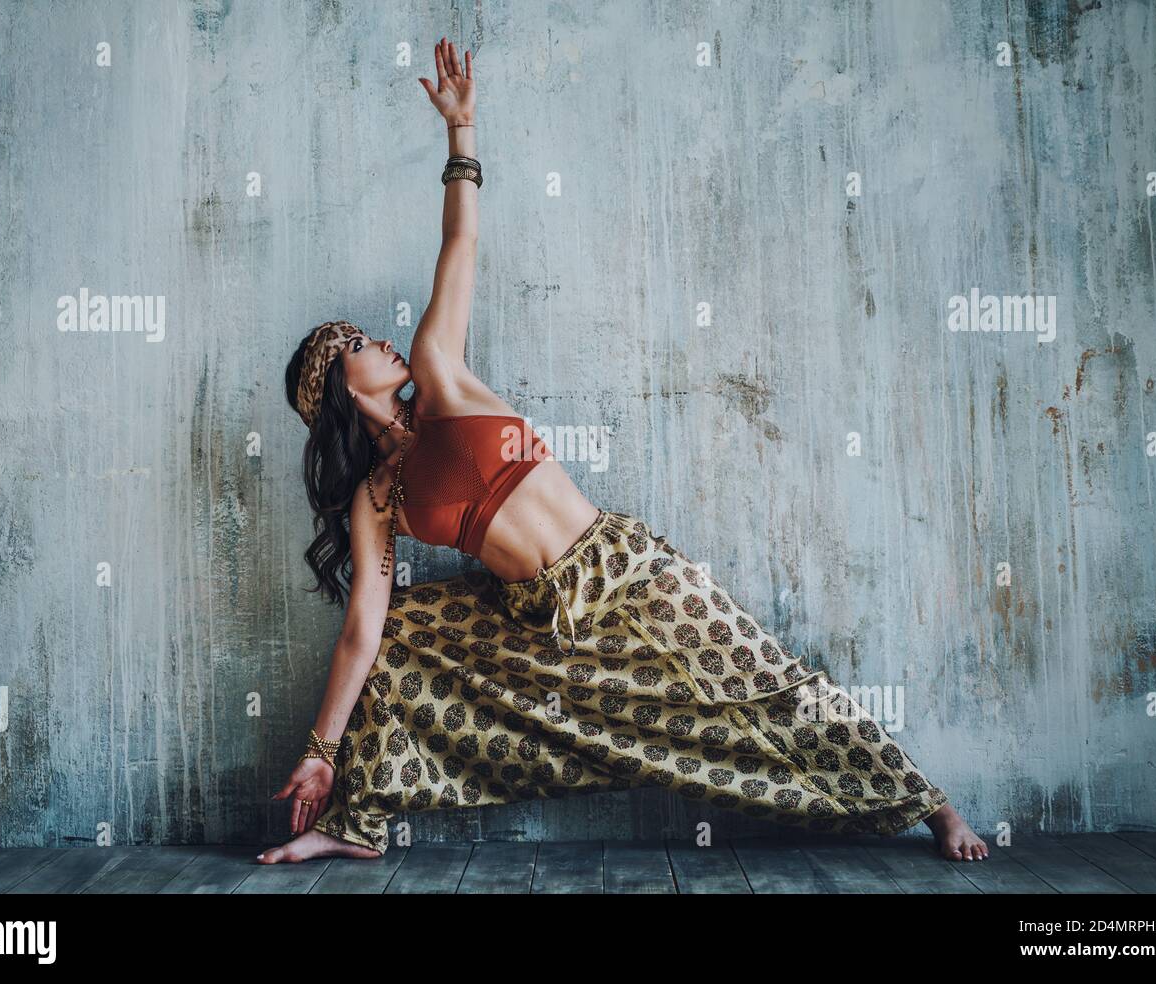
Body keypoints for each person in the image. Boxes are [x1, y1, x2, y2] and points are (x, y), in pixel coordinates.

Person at [258, 38, 987, 865]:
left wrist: (462, 137)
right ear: (342, 389)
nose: (378, 337)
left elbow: (458, 249)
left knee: (765, 688)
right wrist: (320, 751)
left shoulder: (440, 373)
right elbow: (363, 626)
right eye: (355, 341)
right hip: (535, 623)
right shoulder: (378, 496)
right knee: (403, 632)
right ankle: (354, 821)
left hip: (623, 575)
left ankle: (927, 803)